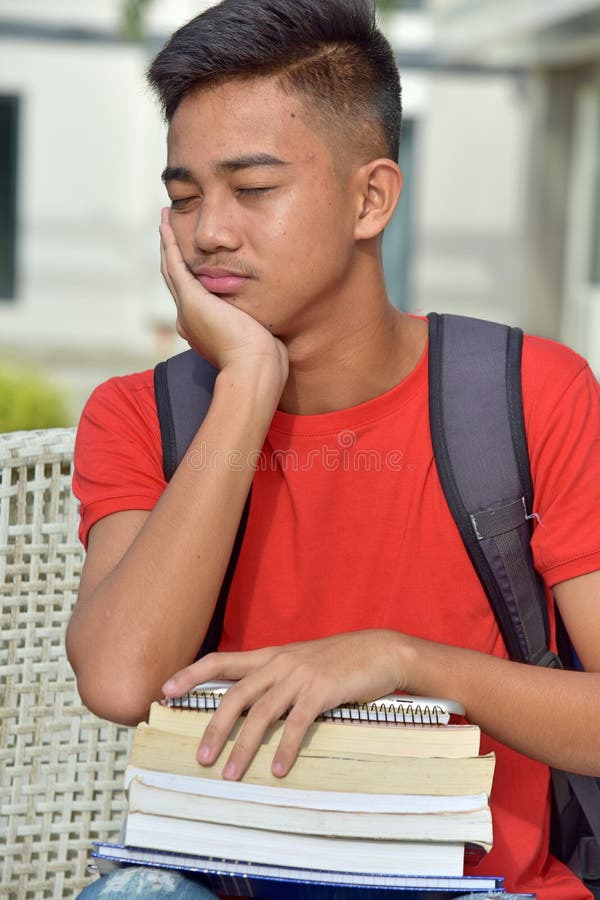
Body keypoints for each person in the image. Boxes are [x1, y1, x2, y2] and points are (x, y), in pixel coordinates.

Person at [67, 1, 600, 898]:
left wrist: (403, 661)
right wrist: (244, 383)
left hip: (484, 889)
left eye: (254, 189)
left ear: (371, 197)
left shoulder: (528, 393)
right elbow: (122, 680)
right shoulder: (141, 415)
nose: (209, 233)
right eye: (185, 197)